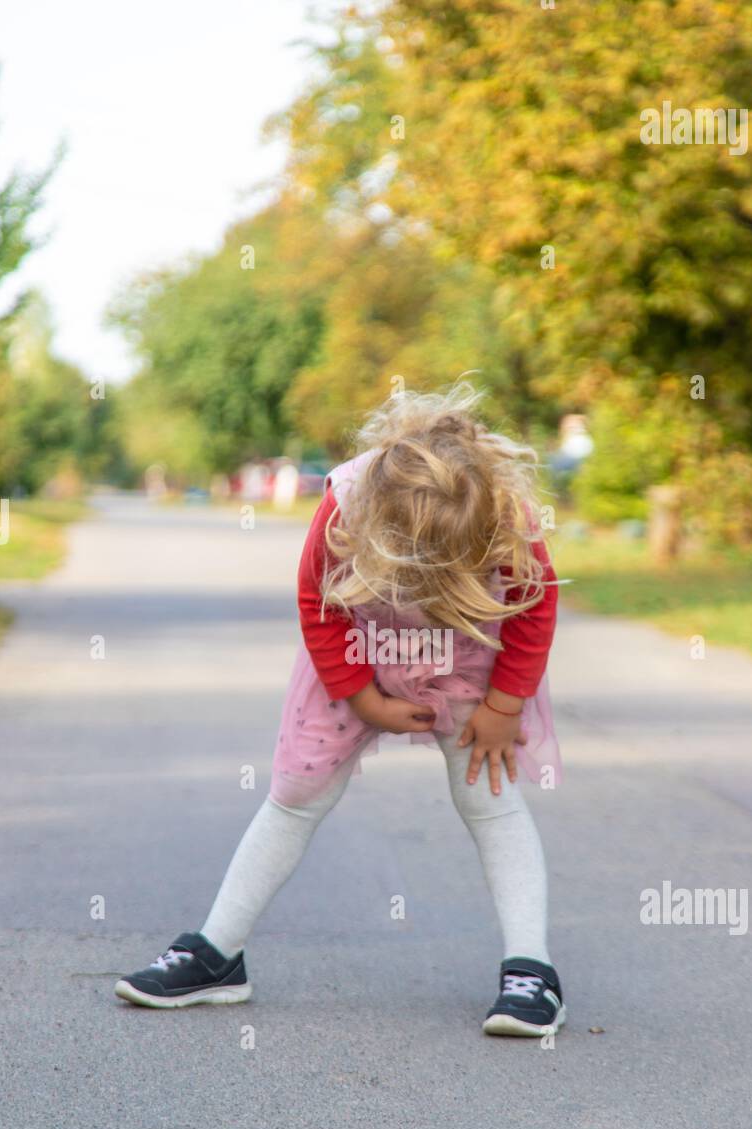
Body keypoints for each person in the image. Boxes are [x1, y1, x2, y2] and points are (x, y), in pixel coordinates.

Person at [115, 383, 565, 1037]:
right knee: (295, 794)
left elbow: (535, 605)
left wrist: (503, 706)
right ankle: (216, 954)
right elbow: (318, 602)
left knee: (488, 796)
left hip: (469, 652)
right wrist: (361, 697)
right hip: (361, 649)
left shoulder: (507, 516)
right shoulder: (344, 506)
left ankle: (532, 972)